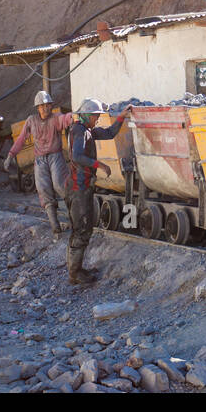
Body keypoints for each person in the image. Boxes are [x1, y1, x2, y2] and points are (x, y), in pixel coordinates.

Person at [64, 98, 128, 285]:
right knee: (81, 229)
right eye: (95, 117)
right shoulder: (79, 131)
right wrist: (99, 164)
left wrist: (121, 117)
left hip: (81, 186)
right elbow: (76, 156)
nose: (97, 120)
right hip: (78, 187)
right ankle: (74, 273)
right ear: (86, 115)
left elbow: (109, 133)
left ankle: (75, 270)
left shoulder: (87, 130)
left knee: (81, 229)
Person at [4, 91, 77, 240]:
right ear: (37, 107)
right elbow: (21, 139)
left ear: (51, 106)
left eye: (47, 105)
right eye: (42, 106)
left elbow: (65, 119)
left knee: (60, 185)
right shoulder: (31, 120)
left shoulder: (55, 118)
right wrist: (10, 155)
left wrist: (73, 116)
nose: (45, 108)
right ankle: (55, 227)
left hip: (56, 156)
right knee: (43, 190)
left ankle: (75, 219)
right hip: (40, 160)